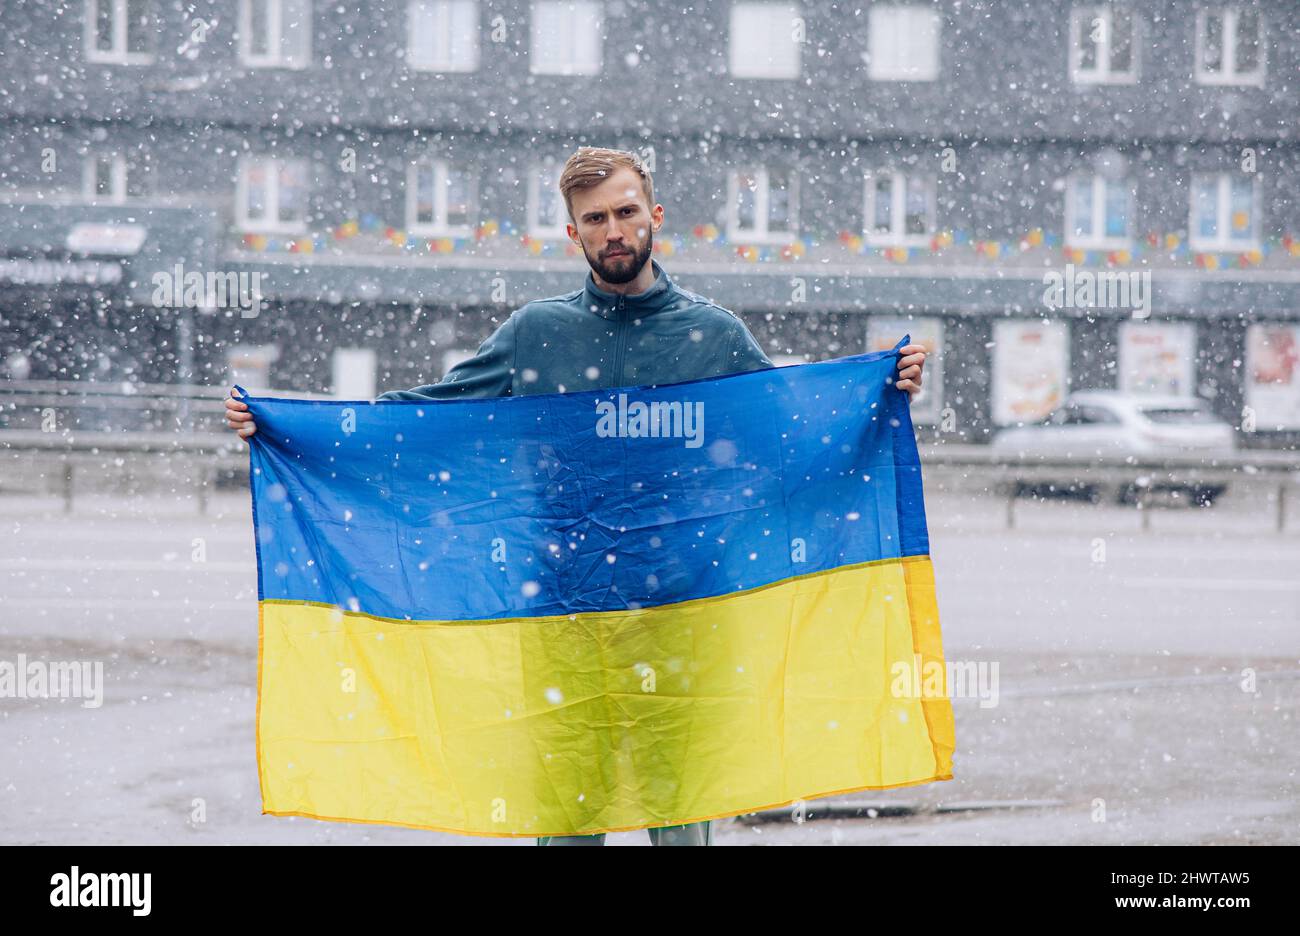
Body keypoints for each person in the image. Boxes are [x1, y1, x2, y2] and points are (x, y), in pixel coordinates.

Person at [225, 146, 927, 846]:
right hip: (560, 611)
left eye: (626, 212)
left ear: (654, 217)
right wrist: (289, 427)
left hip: (680, 615)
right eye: (596, 219)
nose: (614, 230)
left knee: (680, 819)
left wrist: (881, 394)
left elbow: (791, 434)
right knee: (567, 819)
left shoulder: (712, 337)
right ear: (573, 233)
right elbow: (428, 416)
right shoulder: (539, 333)